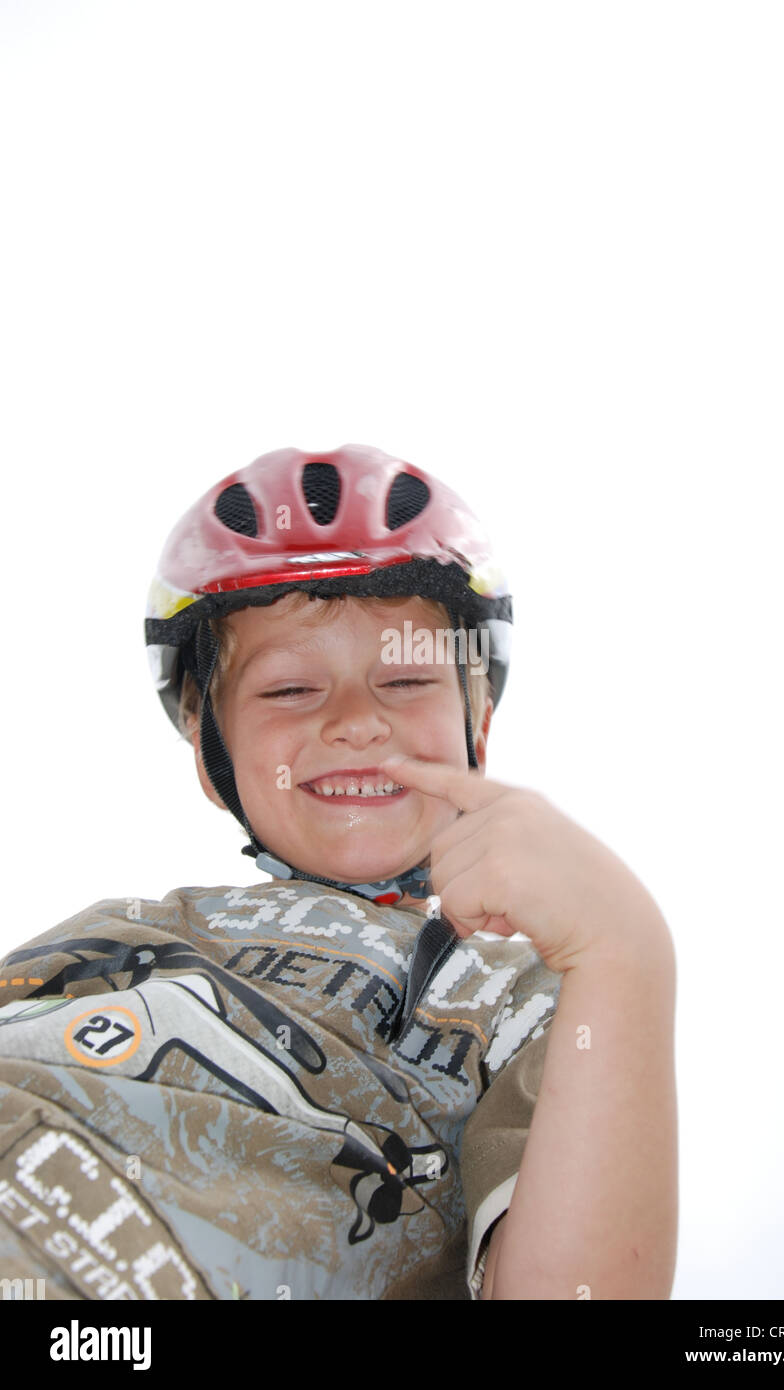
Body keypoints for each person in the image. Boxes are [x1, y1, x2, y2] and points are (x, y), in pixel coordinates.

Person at [0, 442, 677, 1300]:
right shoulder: (107, 929)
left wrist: (624, 952)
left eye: (404, 678)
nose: (357, 721)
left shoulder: (516, 1002)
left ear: (478, 727)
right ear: (214, 757)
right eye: (289, 690)